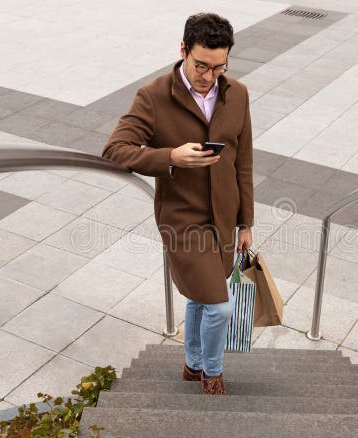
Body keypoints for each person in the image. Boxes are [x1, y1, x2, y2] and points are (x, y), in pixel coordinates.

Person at [103, 12, 254, 395]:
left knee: (204, 295)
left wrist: (245, 223)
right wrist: (170, 157)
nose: (209, 76)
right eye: (201, 65)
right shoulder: (153, 97)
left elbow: (243, 160)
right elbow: (115, 150)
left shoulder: (237, 94)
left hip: (223, 218)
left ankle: (191, 363)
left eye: (218, 67)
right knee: (220, 306)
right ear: (183, 49)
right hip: (182, 220)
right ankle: (211, 372)